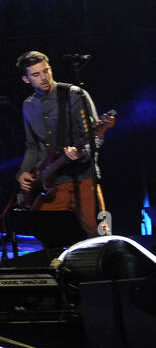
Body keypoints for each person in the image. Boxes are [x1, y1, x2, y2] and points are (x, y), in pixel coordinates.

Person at [15, 51, 107, 237]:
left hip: (83, 179)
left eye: (46, 71)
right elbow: (32, 145)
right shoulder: (28, 105)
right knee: (50, 237)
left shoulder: (75, 95)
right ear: (26, 79)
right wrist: (23, 172)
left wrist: (82, 153)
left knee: (98, 237)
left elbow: (95, 138)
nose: (43, 77)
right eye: (36, 74)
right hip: (51, 183)